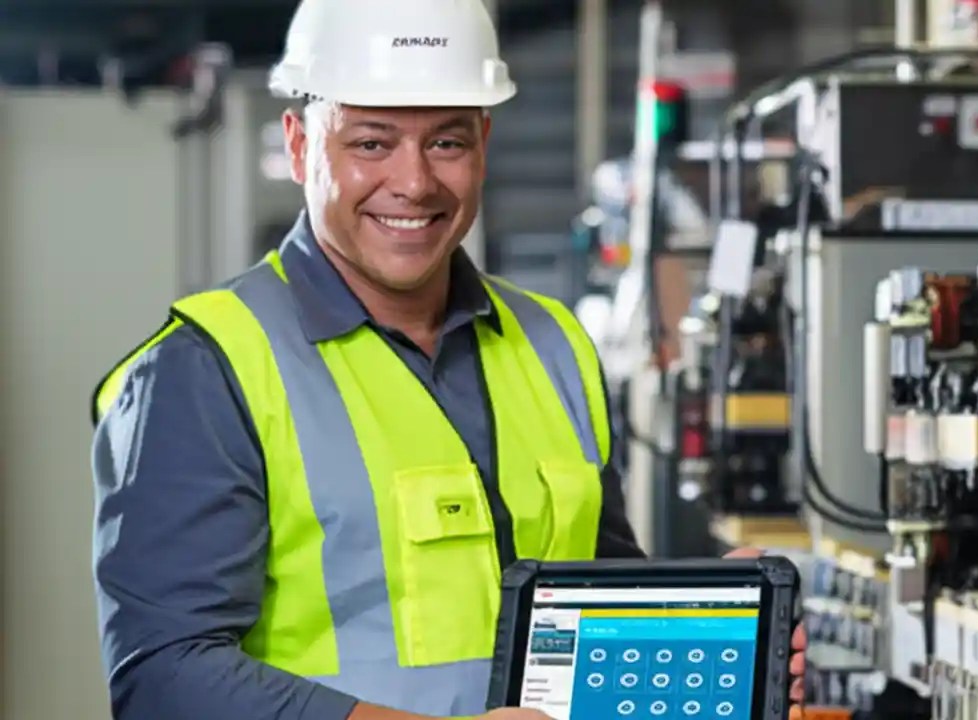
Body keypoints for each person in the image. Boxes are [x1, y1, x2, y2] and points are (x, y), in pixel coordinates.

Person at [89, 1, 805, 719]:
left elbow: (591, 601)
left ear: (483, 143)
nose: (414, 183)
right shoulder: (206, 369)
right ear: (302, 144)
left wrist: (710, 632)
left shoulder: (552, 343)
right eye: (372, 143)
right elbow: (165, 678)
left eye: (446, 143)